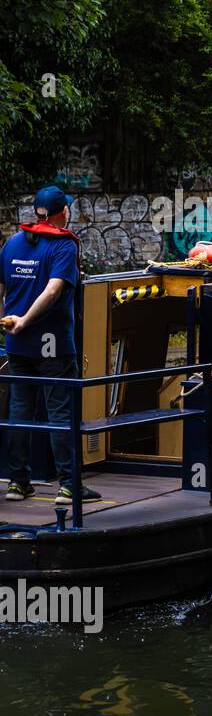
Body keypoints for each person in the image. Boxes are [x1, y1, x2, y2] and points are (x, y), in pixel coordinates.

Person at [1, 186, 101, 504]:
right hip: (53, 345)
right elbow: (54, 290)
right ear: (61, 213)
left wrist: (8, 323)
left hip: (17, 344)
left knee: (19, 411)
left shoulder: (13, 242)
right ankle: (70, 486)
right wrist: (27, 321)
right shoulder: (63, 246)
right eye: (67, 209)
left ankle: (18, 482)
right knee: (61, 412)